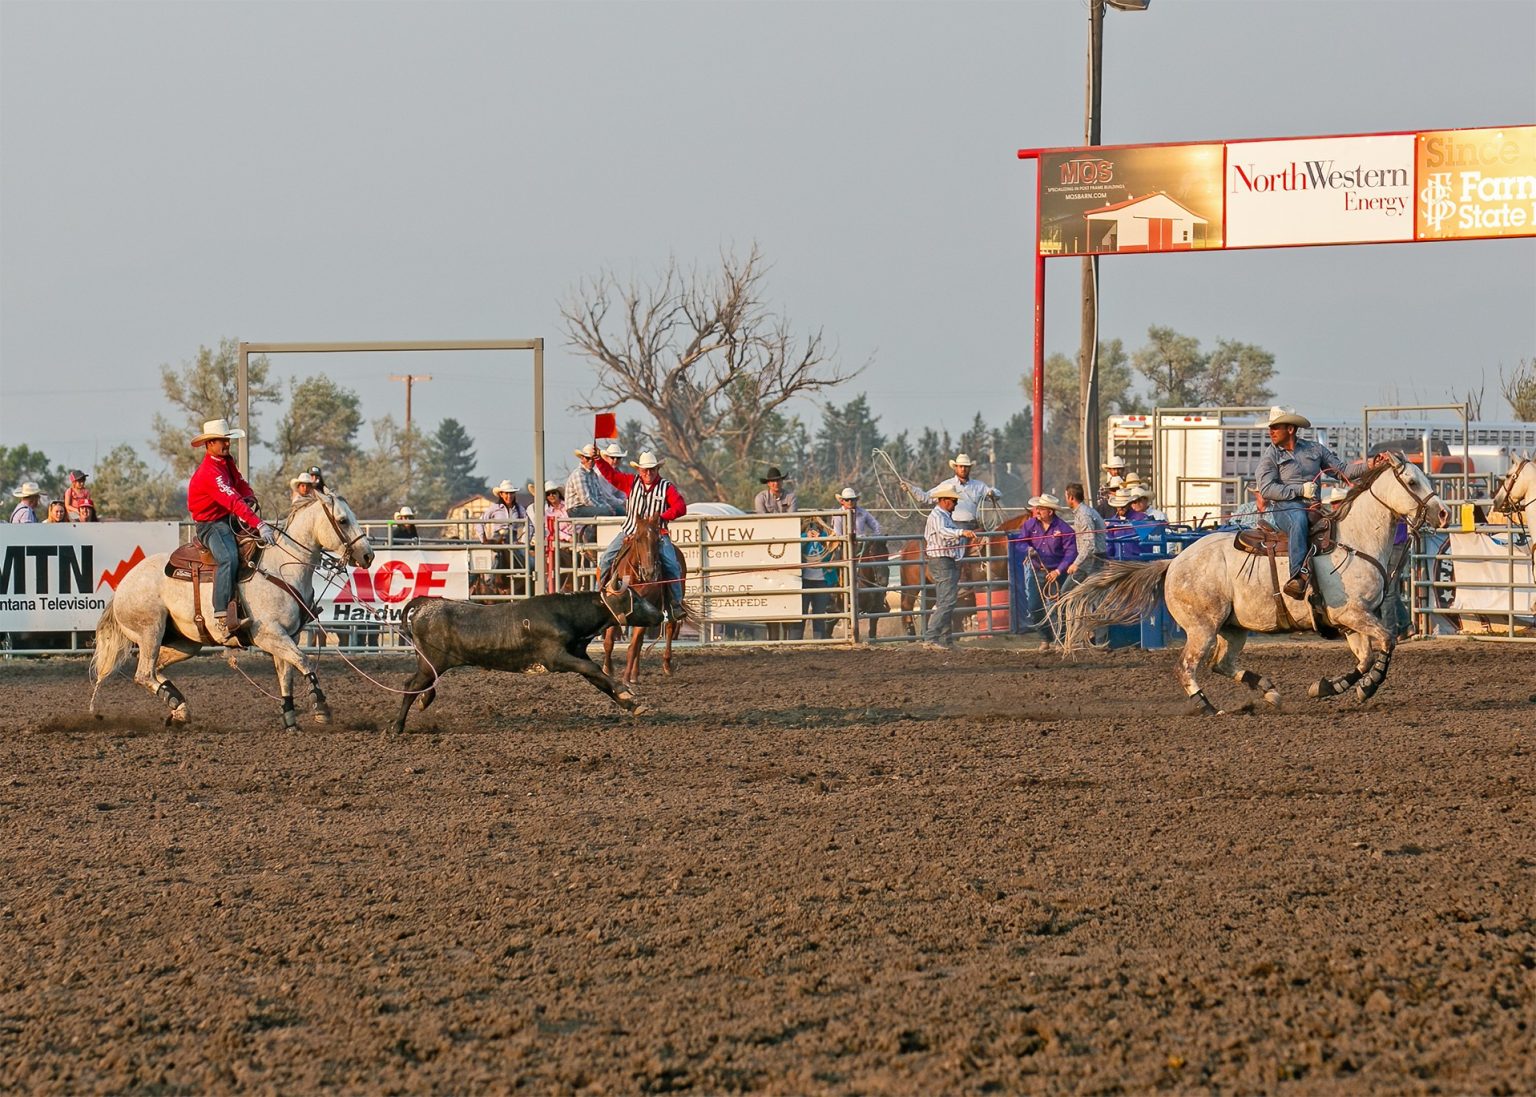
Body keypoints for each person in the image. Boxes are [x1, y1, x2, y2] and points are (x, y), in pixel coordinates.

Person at [1255, 405, 1370, 599]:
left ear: (1290, 429)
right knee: (1298, 520)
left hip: (1314, 507)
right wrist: (1300, 490)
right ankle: (1298, 576)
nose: (1271, 432)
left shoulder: (1315, 449)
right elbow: (1266, 489)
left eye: (1276, 427)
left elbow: (1343, 471)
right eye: (1270, 428)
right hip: (1285, 507)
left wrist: (1371, 465)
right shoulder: (1271, 456)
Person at [188, 418, 276, 645]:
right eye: (221, 441)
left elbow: (239, 485)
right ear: (209, 444)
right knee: (227, 557)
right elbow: (233, 500)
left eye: (227, 440)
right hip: (210, 524)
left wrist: (251, 496)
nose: (227, 444)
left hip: (226, 519)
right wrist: (258, 523)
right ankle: (220, 614)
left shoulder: (226, 461)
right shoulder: (210, 472)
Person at [594, 450, 687, 607]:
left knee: (672, 565)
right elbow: (611, 476)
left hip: (657, 534)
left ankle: (676, 604)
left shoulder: (666, 487)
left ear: (657, 469)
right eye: (645, 469)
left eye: (652, 469)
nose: (648, 473)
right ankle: (598, 596)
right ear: (639, 470)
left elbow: (680, 507)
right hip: (630, 530)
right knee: (605, 559)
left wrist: (663, 517)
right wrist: (598, 459)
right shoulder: (630, 482)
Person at [1013, 493, 1078, 648]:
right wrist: (1028, 549)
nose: (1038, 511)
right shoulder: (1030, 525)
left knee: (1061, 607)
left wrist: (1059, 570)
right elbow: (1020, 543)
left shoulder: (1064, 528)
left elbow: (1071, 552)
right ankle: (1046, 637)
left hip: (1057, 573)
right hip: (1038, 571)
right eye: (1038, 508)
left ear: (1050, 511)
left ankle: (1061, 640)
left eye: (1041, 508)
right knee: (1034, 606)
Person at [920, 486, 977, 650]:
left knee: (945, 600)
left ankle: (946, 640)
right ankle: (931, 637)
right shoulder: (938, 516)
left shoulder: (944, 515)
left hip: (946, 560)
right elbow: (943, 532)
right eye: (953, 501)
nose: (955, 504)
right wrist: (961, 533)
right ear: (944, 500)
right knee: (948, 601)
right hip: (941, 560)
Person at [906, 453, 999, 530]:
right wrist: (912, 489)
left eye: (966, 467)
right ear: (956, 468)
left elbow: (997, 494)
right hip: (955, 525)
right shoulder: (947, 485)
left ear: (969, 468)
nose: (963, 469)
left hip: (974, 525)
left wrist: (992, 493)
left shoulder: (978, 486)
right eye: (961, 466)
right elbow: (926, 497)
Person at [479, 479, 532, 595]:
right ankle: (482, 582)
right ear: (501, 494)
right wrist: (483, 539)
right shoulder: (494, 507)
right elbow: (480, 522)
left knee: (528, 559)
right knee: (490, 558)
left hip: (512, 539)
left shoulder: (519, 508)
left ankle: (527, 580)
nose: (509, 496)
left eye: (511, 493)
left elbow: (530, 525)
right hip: (497, 538)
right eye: (506, 493)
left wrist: (524, 541)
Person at [564, 444, 626, 542]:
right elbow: (587, 499)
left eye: (593, 459)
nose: (591, 461)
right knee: (607, 512)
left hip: (587, 506)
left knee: (619, 511)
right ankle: (591, 538)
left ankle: (616, 539)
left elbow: (599, 496)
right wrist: (607, 507)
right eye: (588, 458)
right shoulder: (579, 474)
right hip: (576, 509)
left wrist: (608, 506)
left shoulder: (593, 474)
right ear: (582, 458)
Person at [1063, 483, 1106, 584]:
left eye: (1066, 497)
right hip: (1091, 559)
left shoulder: (1083, 515)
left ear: (1071, 498)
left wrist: (1076, 564)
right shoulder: (1084, 511)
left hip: (1092, 560)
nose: (1066, 500)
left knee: (1067, 591)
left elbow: (1089, 544)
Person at [800, 516, 835, 640]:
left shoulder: (827, 539)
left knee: (819, 615)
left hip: (822, 581)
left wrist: (821, 540)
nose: (815, 528)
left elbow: (831, 552)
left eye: (819, 525)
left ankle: (819, 642)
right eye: (813, 525)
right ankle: (794, 642)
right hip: (803, 581)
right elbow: (795, 552)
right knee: (800, 615)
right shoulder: (801, 538)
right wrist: (806, 539)